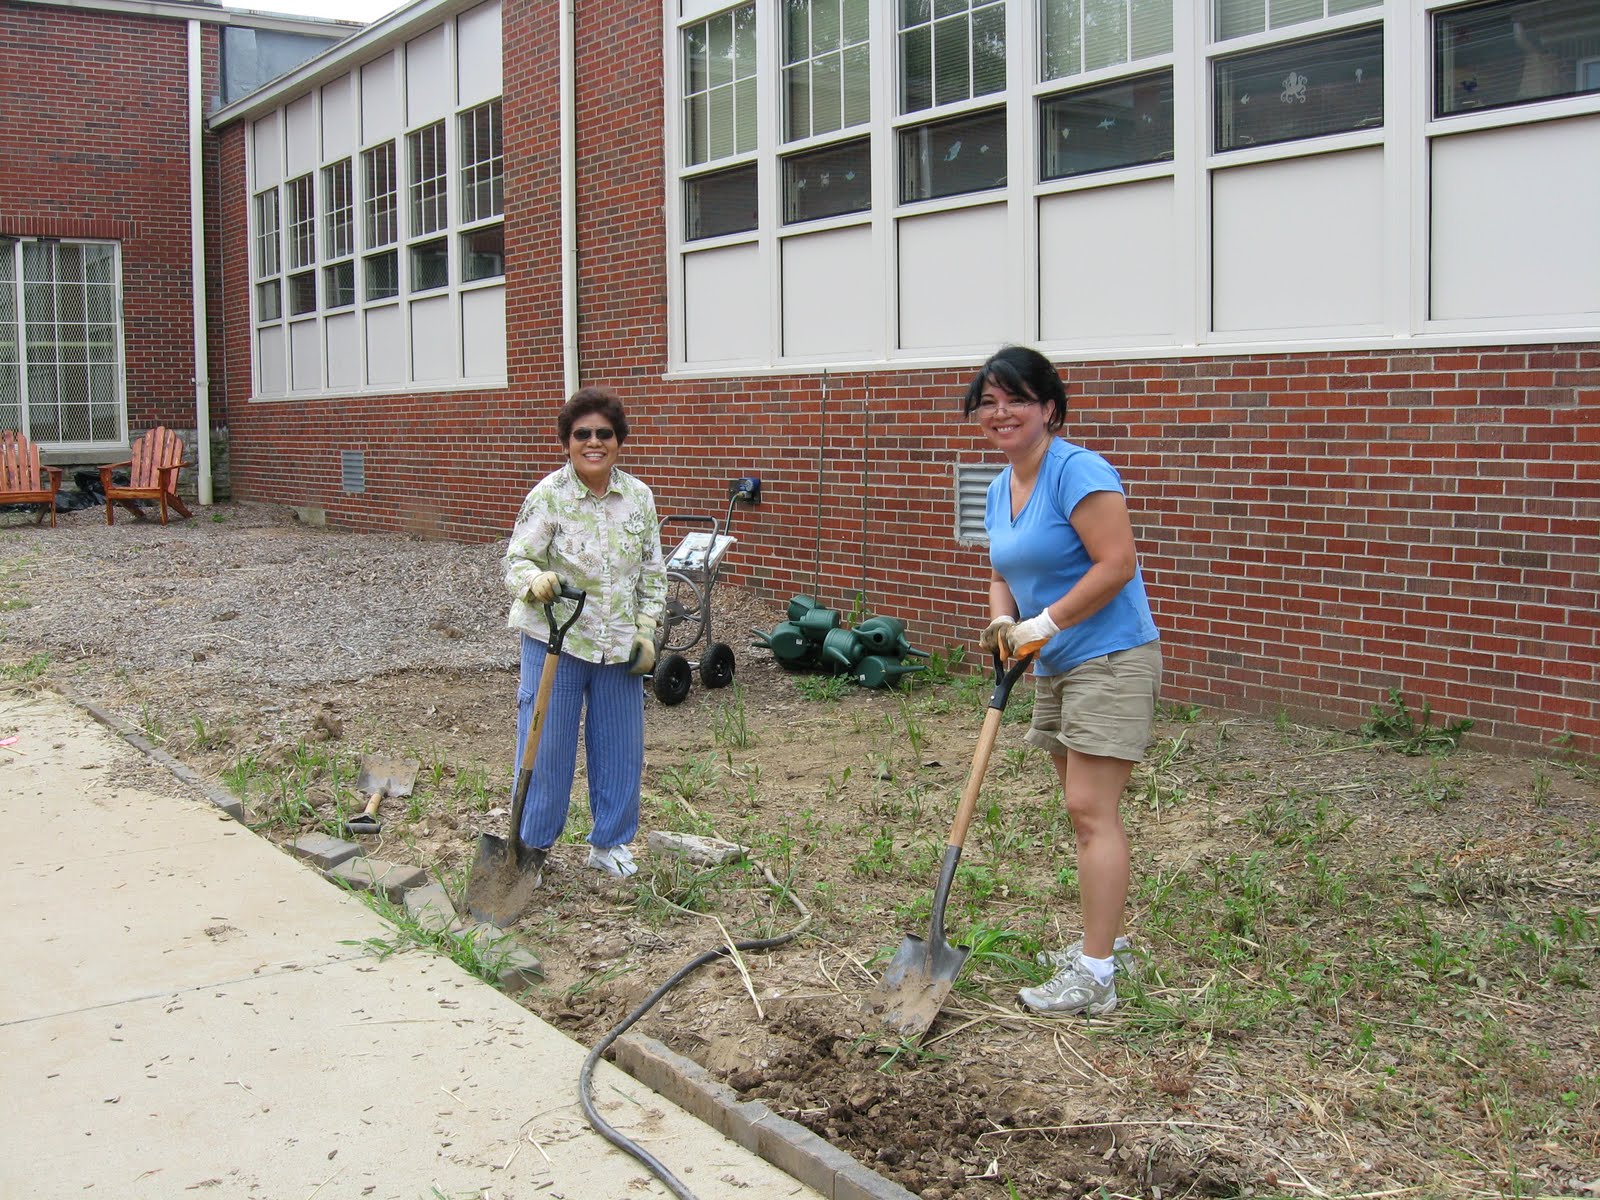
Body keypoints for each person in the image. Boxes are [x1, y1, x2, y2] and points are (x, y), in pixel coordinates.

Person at [963, 345, 1161, 1017]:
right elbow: (1002, 568)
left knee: (1088, 810)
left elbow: (1117, 564)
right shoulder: (999, 485)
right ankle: (1099, 943)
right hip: (1053, 659)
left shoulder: (1077, 470)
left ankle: (1097, 974)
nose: (1002, 412)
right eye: (988, 402)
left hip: (1110, 656)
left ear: (1049, 407)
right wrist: (1002, 619)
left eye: (1016, 399)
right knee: (1084, 813)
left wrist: (1042, 622)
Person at [502, 387, 667, 878]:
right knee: (546, 746)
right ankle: (530, 845)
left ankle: (609, 844)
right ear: (567, 442)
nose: (593, 442)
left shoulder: (638, 498)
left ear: (618, 441)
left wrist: (646, 630)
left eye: (604, 434)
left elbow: (653, 573)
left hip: (619, 645)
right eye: (582, 434)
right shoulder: (548, 496)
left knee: (620, 748)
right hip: (558, 640)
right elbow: (515, 561)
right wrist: (535, 581)